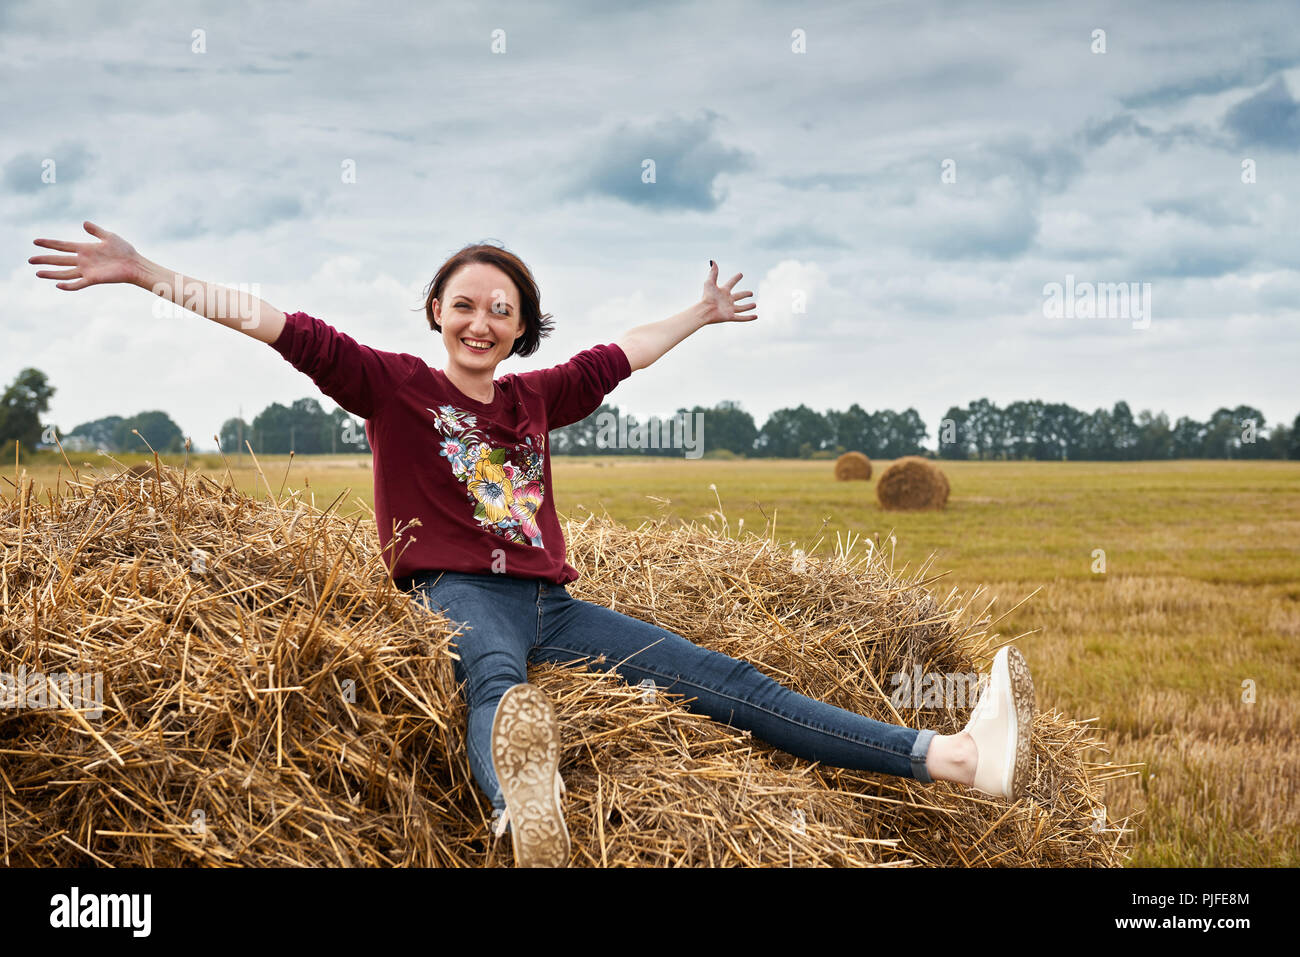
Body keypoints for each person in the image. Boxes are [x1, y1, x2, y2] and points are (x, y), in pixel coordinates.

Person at [30, 221, 1036, 868]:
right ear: (435, 314)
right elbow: (276, 324)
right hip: (454, 591)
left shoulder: (536, 396)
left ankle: (952, 760)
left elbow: (622, 353)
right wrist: (146, 274)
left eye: (499, 310)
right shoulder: (389, 384)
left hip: (553, 598)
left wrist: (700, 310)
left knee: (734, 683)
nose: (479, 319)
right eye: (463, 303)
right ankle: (524, 826)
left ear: (519, 331)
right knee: (494, 689)